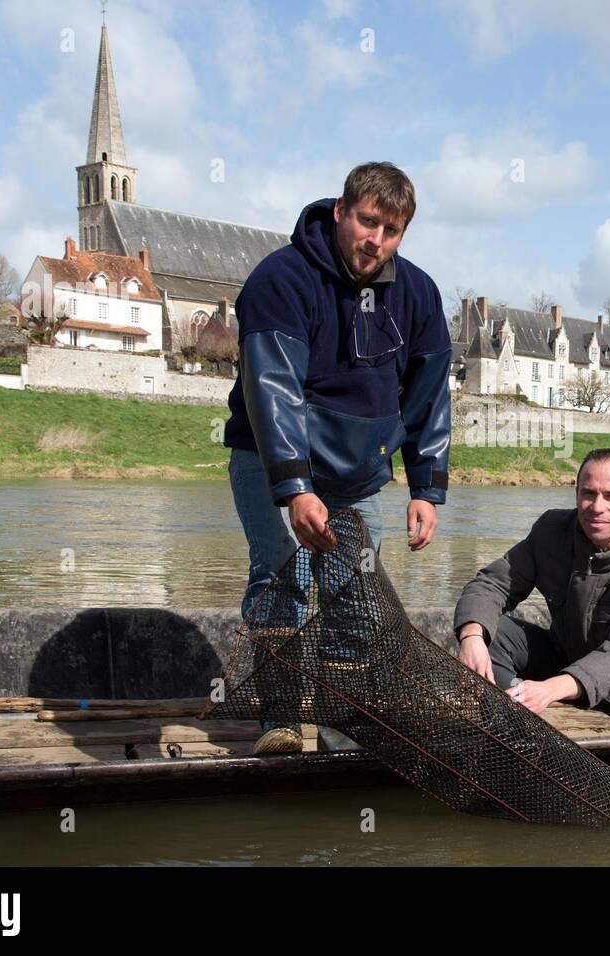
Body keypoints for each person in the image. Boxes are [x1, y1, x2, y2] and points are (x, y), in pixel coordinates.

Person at [223, 162, 452, 752]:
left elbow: (428, 397)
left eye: (392, 230)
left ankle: (339, 722)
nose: (376, 240)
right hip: (273, 459)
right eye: (368, 221)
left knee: (356, 593)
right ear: (340, 213)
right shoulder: (282, 279)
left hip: (357, 474)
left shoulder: (420, 295)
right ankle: (278, 719)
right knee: (283, 578)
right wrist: (294, 487)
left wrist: (425, 487)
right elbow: (271, 389)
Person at [453, 448, 610, 733]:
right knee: (489, 633)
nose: (597, 506)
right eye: (588, 493)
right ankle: (513, 721)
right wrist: (471, 636)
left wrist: (551, 689)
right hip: (566, 654)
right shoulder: (551, 530)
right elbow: (492, 583)